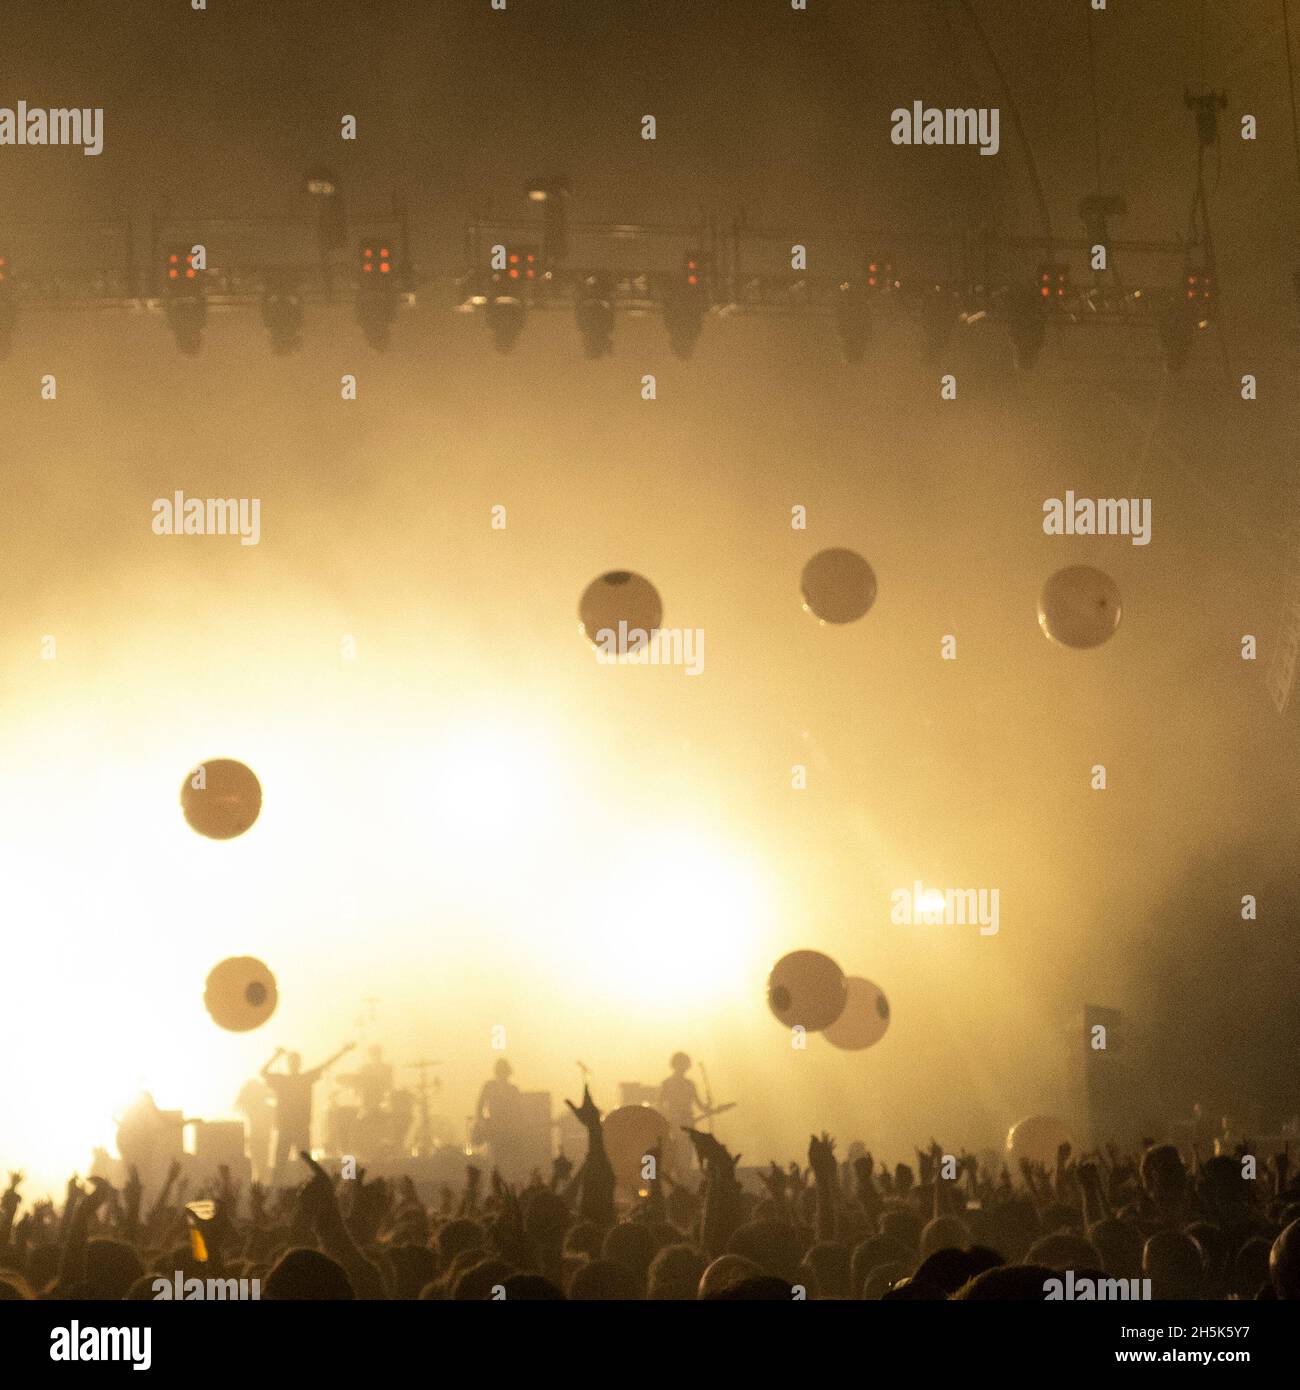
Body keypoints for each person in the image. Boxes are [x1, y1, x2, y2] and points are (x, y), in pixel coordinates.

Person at [262, 1043, 355, 1178]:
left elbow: (263, 1072)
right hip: (293, 1127)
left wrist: (276, 1056)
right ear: (297, 1063)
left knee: (290, 1165)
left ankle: (278, 1192)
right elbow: (325, 1065)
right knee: (300, 1164)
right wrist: (343, 1051)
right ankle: (292, 1190)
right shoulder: (300, 1079)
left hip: (294, 1127)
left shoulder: (285, 1080)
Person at [474, 1058, 523, 1181]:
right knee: (497, 1161)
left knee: (508, 1163)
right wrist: (483, 1123)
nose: (502, 1075)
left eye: (504, 1072)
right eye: (500, 1072)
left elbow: (518, 1112)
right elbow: (480, 1107)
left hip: (509, 1132)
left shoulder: (513, 1090)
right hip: (495, 1131)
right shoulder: (489, 1087)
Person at [658, 1052, 703, 1171]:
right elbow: (660, 1104)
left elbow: (701, 1106)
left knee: (688, 1149)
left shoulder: (690, 1084)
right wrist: (668, 1117)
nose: (684, 1067)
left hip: (689, 1120)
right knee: (677, 1148)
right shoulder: (667, 1083)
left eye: (685, 1064)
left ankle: (685, 1176)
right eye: (681, 1064)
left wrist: (714, 1109)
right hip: (674, 1121)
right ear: (675, 1065)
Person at [234, 1076, 275, 1182]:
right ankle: (259, 1186)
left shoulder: (253, 1107)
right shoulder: (263, 1108)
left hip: (257, 1139)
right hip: (259, 1139)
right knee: (260, 1166)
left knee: (257, 1166)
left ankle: (258, 1185)